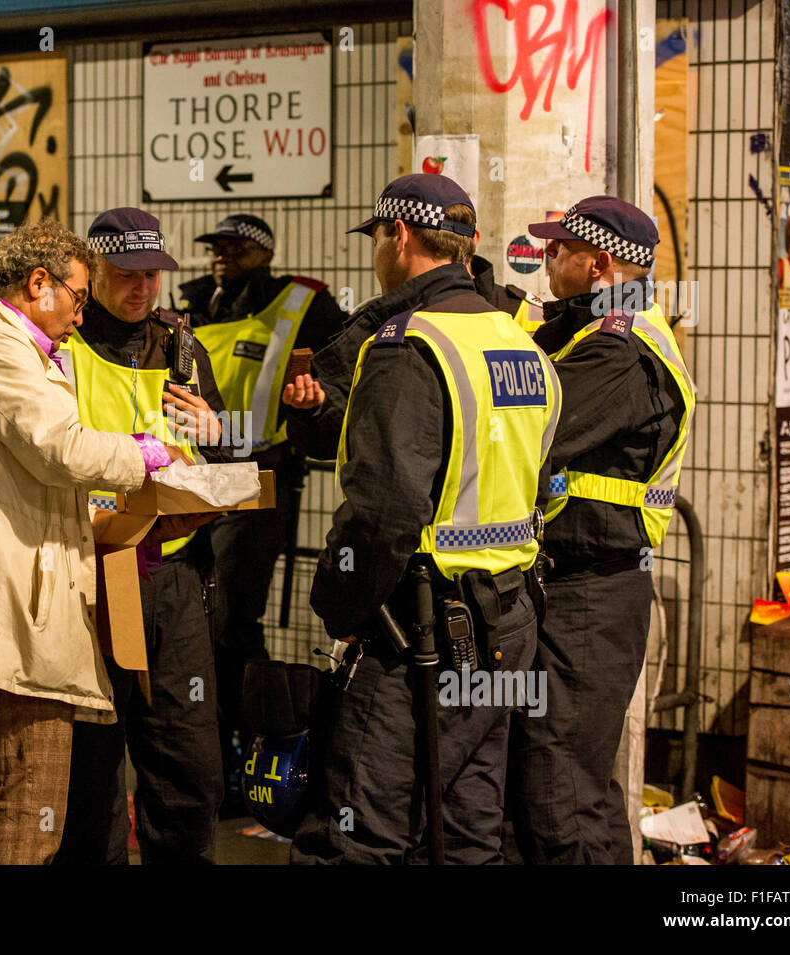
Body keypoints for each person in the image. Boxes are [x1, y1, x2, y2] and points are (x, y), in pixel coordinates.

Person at [0, 218, 186, 866]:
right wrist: (150, 453)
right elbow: (61, 449)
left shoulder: (0, 346)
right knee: (32, 805)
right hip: (13, 612)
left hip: (4, 598)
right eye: (79, 296)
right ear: (37, 283)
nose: (81, 316)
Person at [290, 174, 561, 864]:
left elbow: (385, 512)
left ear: (399, 236)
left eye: (377, 237)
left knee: (358, 833)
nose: (376, 252)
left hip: (422, 633)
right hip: (509, 622)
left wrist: (339, 604)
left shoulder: (406, 344)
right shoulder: (519, 338)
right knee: (468, 825)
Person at [509, 196, 696, 864]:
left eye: (556, 248)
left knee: (561, 784)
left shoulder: (623, 351)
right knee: (565, 776)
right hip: (568, 585)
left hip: (595, 593)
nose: (544, 257)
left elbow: (535, 427)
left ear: (597, 263)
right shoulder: (591, 331)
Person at [54, 208, 229, 864]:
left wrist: (217, 434)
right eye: (128, 274)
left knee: (190, 764)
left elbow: (217, 452)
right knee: (92, 765)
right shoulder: (59, 350)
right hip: (91, 573)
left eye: (154, 275)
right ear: (91, 271)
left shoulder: (182, 345)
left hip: (173, 578)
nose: (144, 288)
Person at [175, 214, 347, 811]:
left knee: (229, 621)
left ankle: (250, 756)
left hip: (256, 478)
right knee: (201, 622)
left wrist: (315, 418)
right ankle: (215, 757)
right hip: (191, 478)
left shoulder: (303, 303)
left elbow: (341, 369)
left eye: (236, 247)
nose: (222, 255)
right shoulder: (190, 307)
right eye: (216, 247)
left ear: (264, 252)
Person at [282, 223, 538, 459]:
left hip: (440, 505)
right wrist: (315, 410)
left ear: (401, 235)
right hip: (512, 505)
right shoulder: (379, 321)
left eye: (376, 241)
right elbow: (338, 435)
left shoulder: (518, 314)